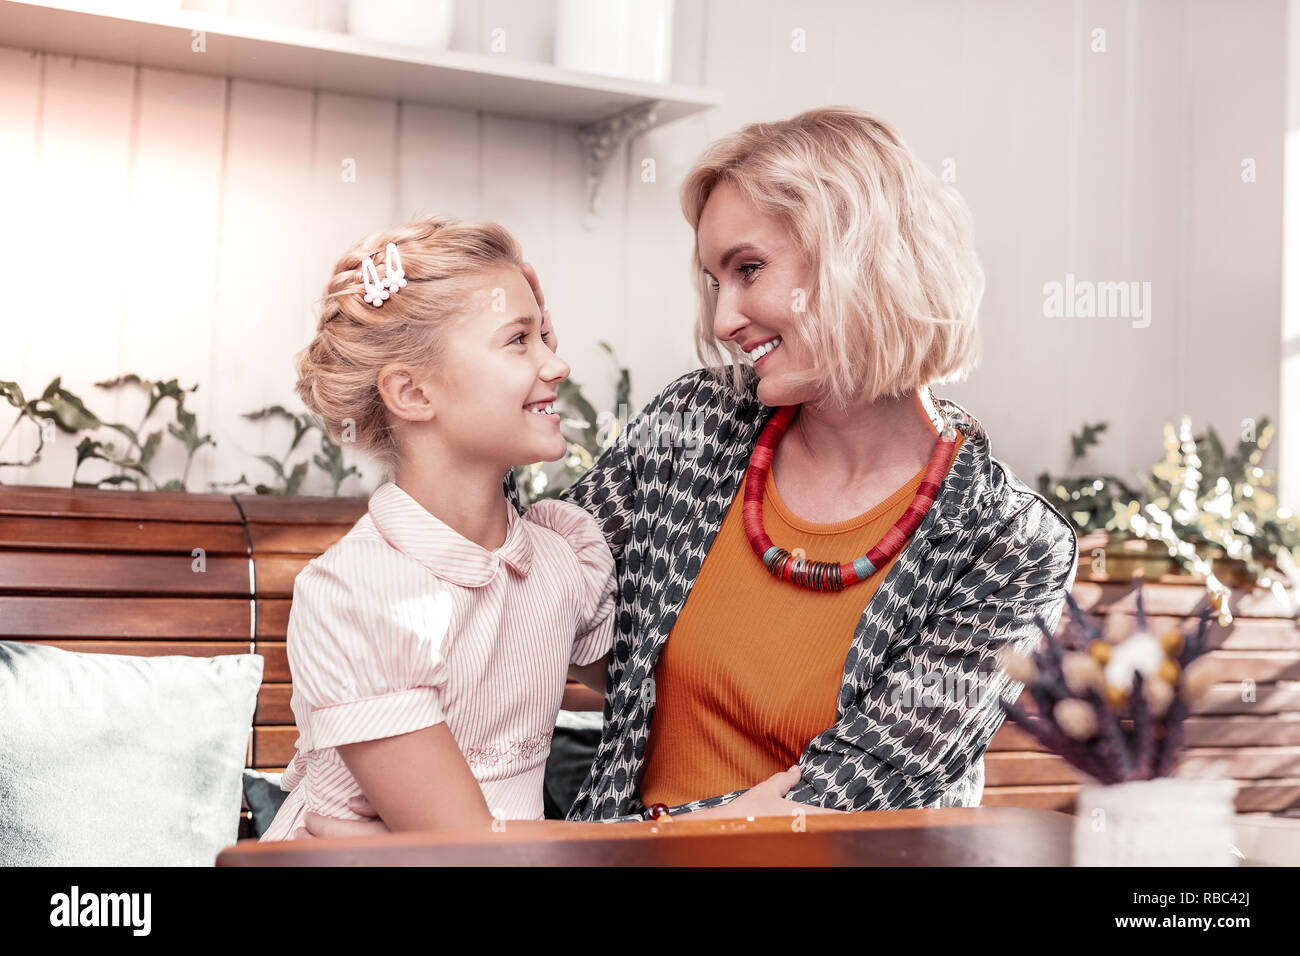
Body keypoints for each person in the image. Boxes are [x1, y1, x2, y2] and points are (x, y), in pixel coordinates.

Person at [305, 107, 1079, 835]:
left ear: (859, 259)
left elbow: (853, 792)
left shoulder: (1010, 542)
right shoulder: (701, 424)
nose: (722, 319)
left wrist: (609, 849)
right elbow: (517, 577)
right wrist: (473, 347)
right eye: (715, 281)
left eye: (748, 269)